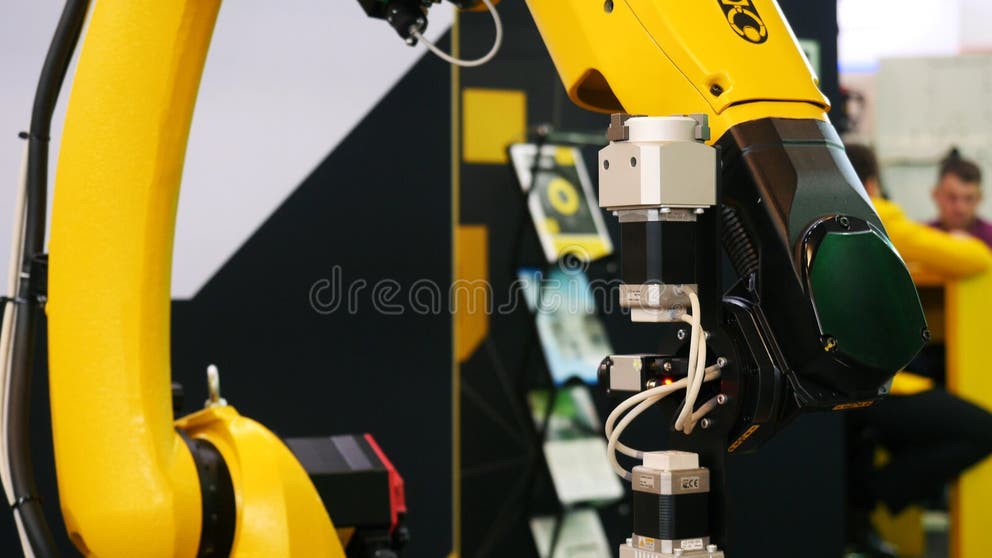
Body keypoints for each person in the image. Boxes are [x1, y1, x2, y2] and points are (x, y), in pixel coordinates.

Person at [842, 144, 992, 558]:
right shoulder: (877, 215)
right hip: (875, 385)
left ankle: (858, 505)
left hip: (830, 381)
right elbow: (975, 258)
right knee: (980, 429)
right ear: (871, 184)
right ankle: (862, 498)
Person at [930, 149, 992, 247]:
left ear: (980, 198)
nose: (960, 208)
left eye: (969, 198)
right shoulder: (918, 238)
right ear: (936, 194)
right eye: (952, 197)